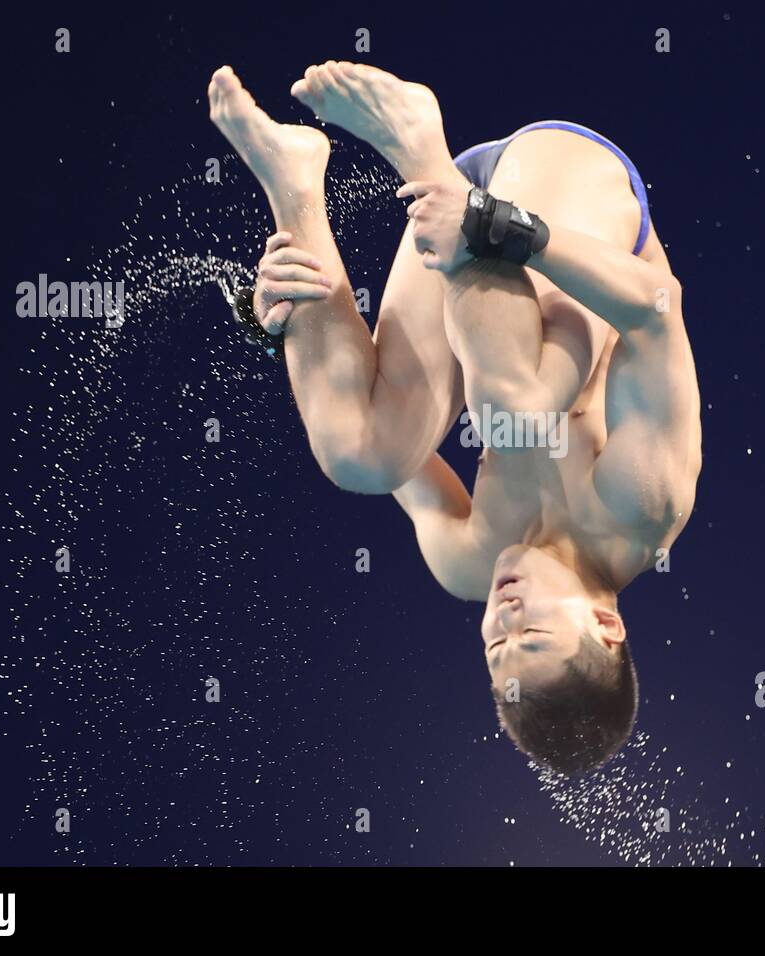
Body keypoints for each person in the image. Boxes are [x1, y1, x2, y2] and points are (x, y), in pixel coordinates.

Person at [208, 61, 701, 774]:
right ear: (605, 625)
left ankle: (293, 183)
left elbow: (374, 416)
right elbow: (657, 307)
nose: (502, 619)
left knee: (362, 456)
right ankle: (424, 157)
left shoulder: (466, 562)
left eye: (494, 647)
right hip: (566, 195)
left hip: (456, 227)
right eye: (531, 634)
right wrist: (509, 226)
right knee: (524, 409)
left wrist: (284, 328)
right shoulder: (642, 506)